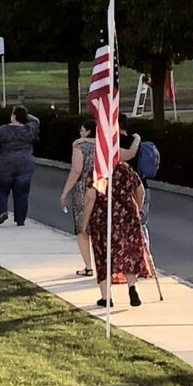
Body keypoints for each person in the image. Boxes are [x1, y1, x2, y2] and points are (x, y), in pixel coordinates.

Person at [81, 161, 151, 308]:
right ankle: (132, 286)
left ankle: (106, 297)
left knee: (103, 257)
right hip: (127, 216)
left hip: (103, 218)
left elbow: (90, 197)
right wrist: (136, 209)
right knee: (128, 254)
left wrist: (84, 223)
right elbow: (141, 191)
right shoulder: (125, 168)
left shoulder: (97, 170)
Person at [0, 105, 40, 226]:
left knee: (0, 188)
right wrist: (25, 115)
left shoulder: (4, 129)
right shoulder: (29, 128)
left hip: (4, 162)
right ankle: (20, 219)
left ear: (14, 116)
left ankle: (3, 210)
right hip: (25, 162)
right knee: (22, 192)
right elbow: (36, 120)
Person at [58, 119, 97, 277]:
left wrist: (65, 192)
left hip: (83, 188)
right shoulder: (105, 146)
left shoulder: (79, 147)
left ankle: (88, 266)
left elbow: (76, 170)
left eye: (82, 130)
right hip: (101, 188)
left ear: (88, 131)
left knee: (82, 227)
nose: (80, 133)